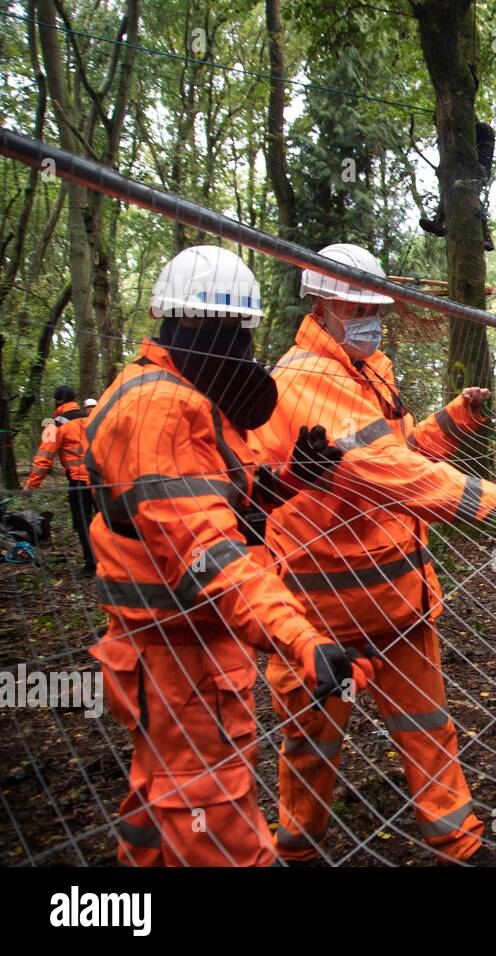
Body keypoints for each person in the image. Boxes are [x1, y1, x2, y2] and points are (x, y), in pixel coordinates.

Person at [85, 245, 372, 866]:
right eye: (226, 331)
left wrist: (291, 480)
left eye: (241, 331)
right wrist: (303, 640)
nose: (239, 348)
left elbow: (215, 505)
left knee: (161, 794)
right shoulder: (157, 409)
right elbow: (206, 550)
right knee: (216, 817)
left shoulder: (186, 392)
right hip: (178, 658)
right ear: (183, 325)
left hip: (187, 647)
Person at [249, 243, 496, 865]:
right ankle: (297, 853)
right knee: (311, 742)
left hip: (399, 600)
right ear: (322, 305)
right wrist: (483, 496)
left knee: (428, 728)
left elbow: (400, 449)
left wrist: (456, 420)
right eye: (358, 303)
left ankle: (461, 844)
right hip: (323, 615)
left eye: (377, 304)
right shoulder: (300, 380)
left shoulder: (367, 368)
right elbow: (374, 465)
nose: (372, 315)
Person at [22, 385, 96, 573]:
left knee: (83, 522)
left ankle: (92, 563)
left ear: (57, 401)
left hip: (79, 481)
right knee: (108, 519)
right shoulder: (92, 417)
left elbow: (44, 457)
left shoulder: (53, 424)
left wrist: (31, 485)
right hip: (103, 478)